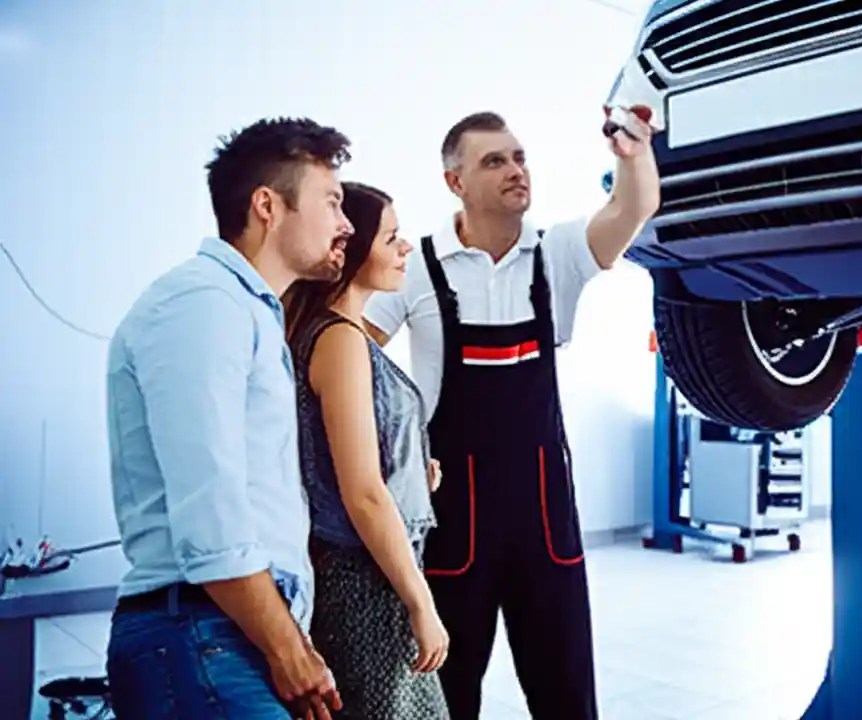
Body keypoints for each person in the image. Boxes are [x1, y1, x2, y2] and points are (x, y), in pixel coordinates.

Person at [362, 106, 660, 720]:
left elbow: (632, 210)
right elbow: (349, 356)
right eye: (494, 161)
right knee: (445, 697)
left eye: (519, 157)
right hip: (454, 522)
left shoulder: (559, 254)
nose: (515, 170)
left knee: (567, 693)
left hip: (545, 520)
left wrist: (632, 154)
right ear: (456, 183)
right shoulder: (417, 266)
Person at [104, 117, 354, 719]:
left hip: (224, 628)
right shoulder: (202, 304)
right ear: (268, 206)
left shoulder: (246, 311)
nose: (345, 223)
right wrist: (283, 645)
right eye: (332, 201)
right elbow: (210, 509)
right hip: (200, 632)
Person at [282, 181, 452, 719]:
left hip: (363, 576)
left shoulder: (329, 333)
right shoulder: (340, 340)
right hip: (365, 588)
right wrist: (421, 603)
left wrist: (408, 469)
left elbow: (343, 462)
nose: (405, 248)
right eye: (392, 238)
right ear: (353, 249)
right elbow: (362, 494)